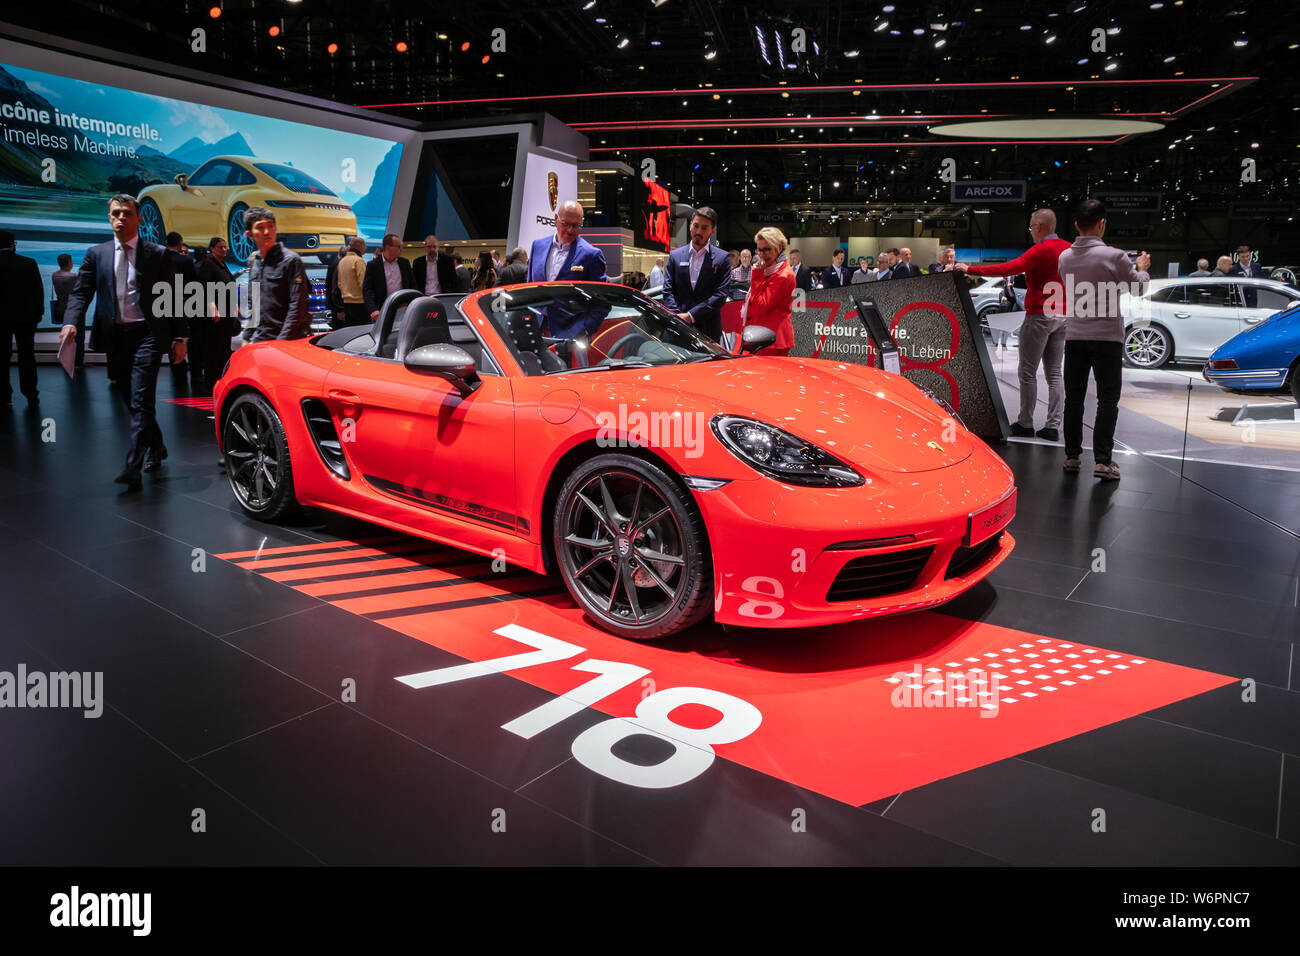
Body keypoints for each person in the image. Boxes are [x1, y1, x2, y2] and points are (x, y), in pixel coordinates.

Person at [60, 194, 183, 487]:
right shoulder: (96, 254)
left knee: (141, 399)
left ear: (139, 219)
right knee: (130, 398)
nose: (121, 218)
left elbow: (175, 297)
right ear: (108, 217)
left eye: (127, 213)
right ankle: (157, 445)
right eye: (115, 213)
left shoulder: (156, 253)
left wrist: (180, 337)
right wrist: (69, 321)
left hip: (149, 335)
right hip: (115, 336)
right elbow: (81, 293)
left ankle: (133, 466)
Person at [1055, 199, 1150, 481]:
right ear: (1102, 223)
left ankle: (1072, 456)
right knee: (1108, 400)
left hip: (1074, 336)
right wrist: (1142, 267)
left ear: (1075, 225)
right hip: (1107, 338)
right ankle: (1103, 461)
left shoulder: (1064, 258)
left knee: (1074, 399)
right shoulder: (1115, 256)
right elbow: (1138, 288)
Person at [957, 209, 1071, 440]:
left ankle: (1026, 422)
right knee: (1055, 374)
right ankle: (1052, 426)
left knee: (1027, 372)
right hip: (1063, 315)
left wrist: (970, 269)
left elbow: (1008, 269)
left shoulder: (1041, 250)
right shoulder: (1069, 248)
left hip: (1039, 315)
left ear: (1039, 226)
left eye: (1031, 227)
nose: (1030, 232)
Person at [661, 205, 732, 342]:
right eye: (696, 225)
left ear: (713, 230)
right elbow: (668, 290)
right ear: (690, 226)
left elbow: (720, 295)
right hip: (677, 326)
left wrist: (691, 315)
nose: (698, 231)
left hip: (708, 330)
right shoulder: (675, 256)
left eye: (704, 228)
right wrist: (678, 316)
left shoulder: (722, 258)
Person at [245, 206, 312, 342]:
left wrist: (281, 342)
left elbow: (297, 306)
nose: (267, 232)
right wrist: (247, 336)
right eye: (260, 227)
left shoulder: (290, 260)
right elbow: (254, 303)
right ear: (249, 234)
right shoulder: (254, 262)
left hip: (285, 341)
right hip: (260, 339)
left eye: (270, 226)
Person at [0, 231, 43, 407]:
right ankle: (30, 393)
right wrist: (38, 313)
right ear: (12, 244)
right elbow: (37, 290)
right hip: (26, 318)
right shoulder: (29, 263)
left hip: (1, 319)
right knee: (27, 356)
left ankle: (3, 395)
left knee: (1, 357)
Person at [739, 227, 795, 357]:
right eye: (760, 250)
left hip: (772, 341)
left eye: (767, 249)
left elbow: (760, 305)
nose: (762, 254)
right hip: (761, 337)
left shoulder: (783, 275)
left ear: (779, 248)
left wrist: (757, 275)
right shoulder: (770, 269)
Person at [192, 237, 238, 394]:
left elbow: (228, 284)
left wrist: (235, 306)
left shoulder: (221, 264)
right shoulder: (208, 263)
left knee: (224, 347)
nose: (224, 250)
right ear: (212, 248)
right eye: (220, 247)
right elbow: (205, 288)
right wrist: (213, 308)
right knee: (213, 349)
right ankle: (211, 382)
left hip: (226, 313)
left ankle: (221, 379)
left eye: (225, 247)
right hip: (216, 315)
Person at [526, 199, 607, 284]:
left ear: (581, 222)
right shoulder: (537, 246)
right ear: (556, 219)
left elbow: (598, 294)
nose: (570, 230)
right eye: (565, 224)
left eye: (575, 225)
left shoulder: (592, 255)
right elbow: (529, 285)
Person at [364, 233, 416, 320]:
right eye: (399, 246)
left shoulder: (404, 263)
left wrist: (411, 303)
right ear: (388, 247)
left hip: (404, 310)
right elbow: (367, 290)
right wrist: (373, 310)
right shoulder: (373, 265)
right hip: (381, 311)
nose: (401, 249)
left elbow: (413, 285)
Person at [50, 253, 80, 366]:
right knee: (78, 337)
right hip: (73, 309)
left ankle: (66, 360)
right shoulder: (73, 277)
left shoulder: (54, 275)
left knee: (66, 336)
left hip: (61, 308)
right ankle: (77, 362)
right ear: (69, 263)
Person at [336, 238, 369, 327]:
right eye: (364, 245)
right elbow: (363, 283)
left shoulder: (342, 261)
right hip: (360, 303)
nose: (366, 248)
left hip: (346, 303)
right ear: (358, 246)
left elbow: (339, 284)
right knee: (362, 332)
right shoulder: (358, 260)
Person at [323, 243, 349, 327]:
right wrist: (340, 309)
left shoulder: (334, 263)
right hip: (338, 304)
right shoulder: (340, 265)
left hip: (334, 303)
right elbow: (336, 288)